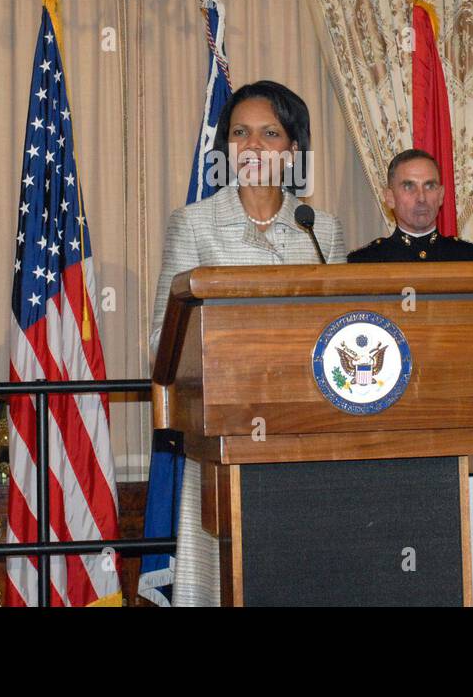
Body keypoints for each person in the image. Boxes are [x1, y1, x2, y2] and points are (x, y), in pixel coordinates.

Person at [149, 81, 347, 607]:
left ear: (294, 149)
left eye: (270, 133)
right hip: (224, 439)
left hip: (305, 439)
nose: (254, 146)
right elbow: (160, 342)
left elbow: (344, 339)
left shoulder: (319, 230)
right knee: (227, 584)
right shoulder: (193, 224)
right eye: (241, 133)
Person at [347, 148, 473, 606]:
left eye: (430, 185)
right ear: (390, 196)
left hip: (465, 427)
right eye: (408, 186)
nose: (420, 197)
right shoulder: (362, 266)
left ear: (443, 196)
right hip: (389, 434)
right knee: (391, 565)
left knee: (470, 559)